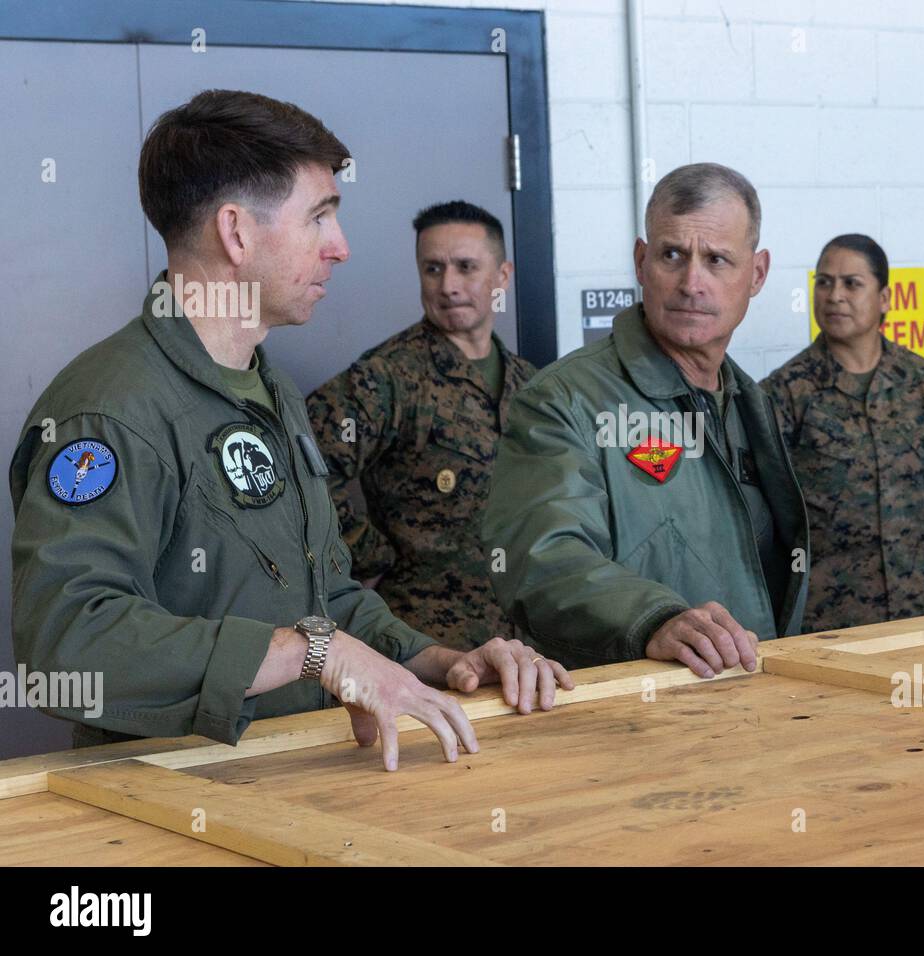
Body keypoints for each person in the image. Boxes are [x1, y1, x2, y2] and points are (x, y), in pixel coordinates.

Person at [8, 90, 570, 772]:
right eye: (320, 218)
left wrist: (441, 662)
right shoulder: (110, 411)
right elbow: (70, 639)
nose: (341, 248)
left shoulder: (270, 390)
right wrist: (312, 651)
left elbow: (324, 599)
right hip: (171, 797)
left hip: (298, 773)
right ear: (237, 233)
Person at [482, 163, 808, 677]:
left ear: (757, 274)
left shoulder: (749, 402)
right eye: (672, 255)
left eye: (718, 260)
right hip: (628, 720)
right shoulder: (561, 400)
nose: (691, 282)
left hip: (748, 701)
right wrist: (654, 618)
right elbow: (543, 558)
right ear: (641, 261)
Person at [307, 201, 533, 651]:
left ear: (502, 276)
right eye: (433, 269)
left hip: (524, 635)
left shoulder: (530, 382)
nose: (448, 286)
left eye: (466, 267)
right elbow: (302, 460)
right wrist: (370, 555)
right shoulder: (386, 377)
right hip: (424, 644)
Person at [762, 233, 924, 632]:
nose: (834, 295)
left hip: (920, 621)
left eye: (852, 283)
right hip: (825, 630)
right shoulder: (783, 395)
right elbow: (762, 530)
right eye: (824, 282)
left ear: (885, 299)